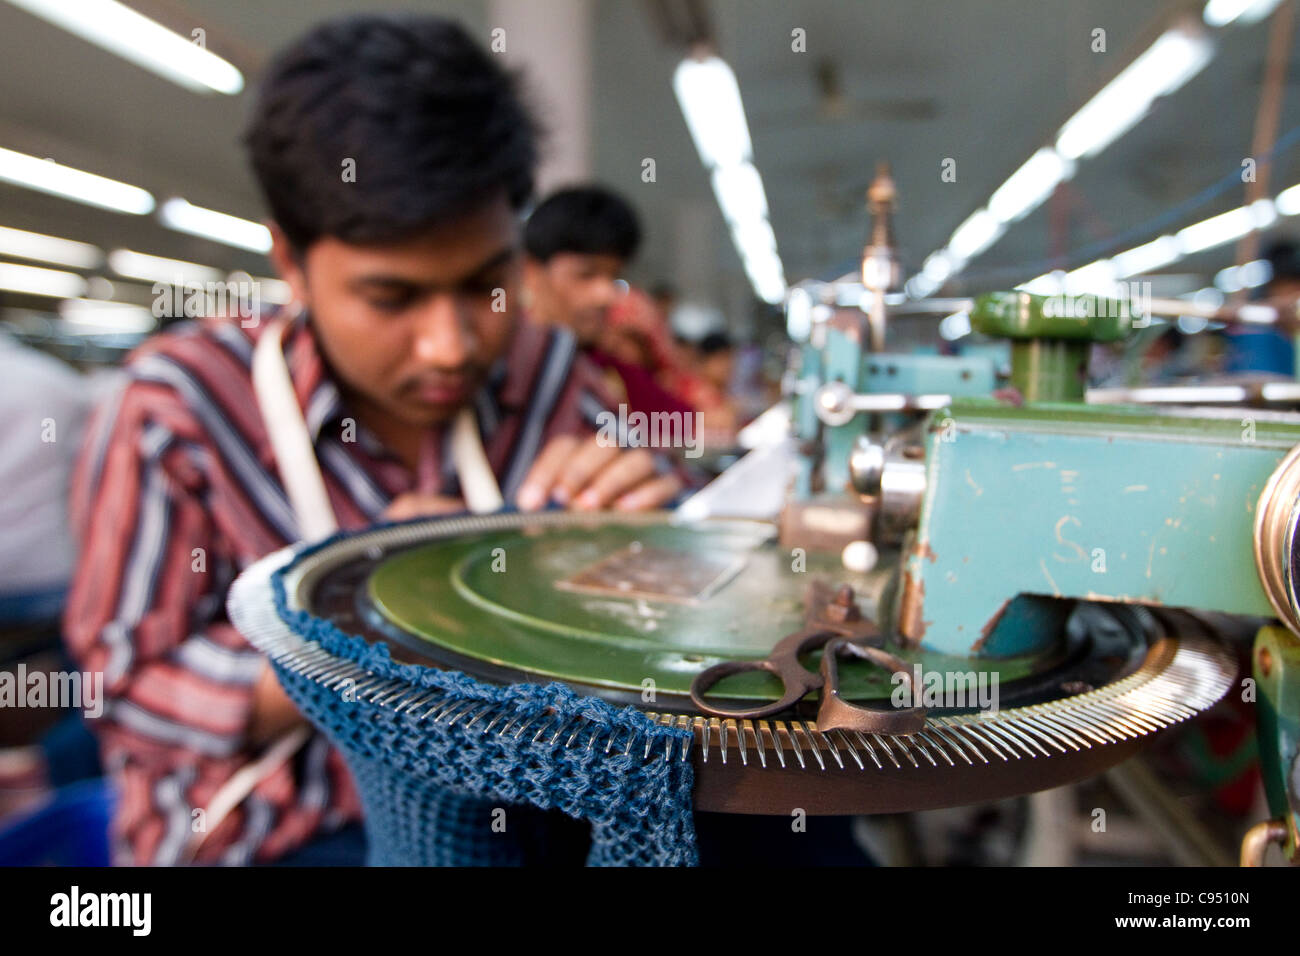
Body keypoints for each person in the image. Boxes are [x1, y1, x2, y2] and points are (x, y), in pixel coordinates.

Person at [62, 14, 681, 866]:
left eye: (484, 283)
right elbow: (126, 691)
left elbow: (679, 559)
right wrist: (366, 623)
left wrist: (644, 523)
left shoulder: (546, 372)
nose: (452, 346)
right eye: (392, 298)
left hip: (513, 803)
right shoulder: (178, 411)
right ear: (289, 261)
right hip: (283, 825)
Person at [522, 187, 696, 419]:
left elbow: (687, 422)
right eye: (586, 274)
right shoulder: (508, 370)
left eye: (615, 277)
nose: (607, 295)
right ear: (532, 272)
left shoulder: (608, 369)